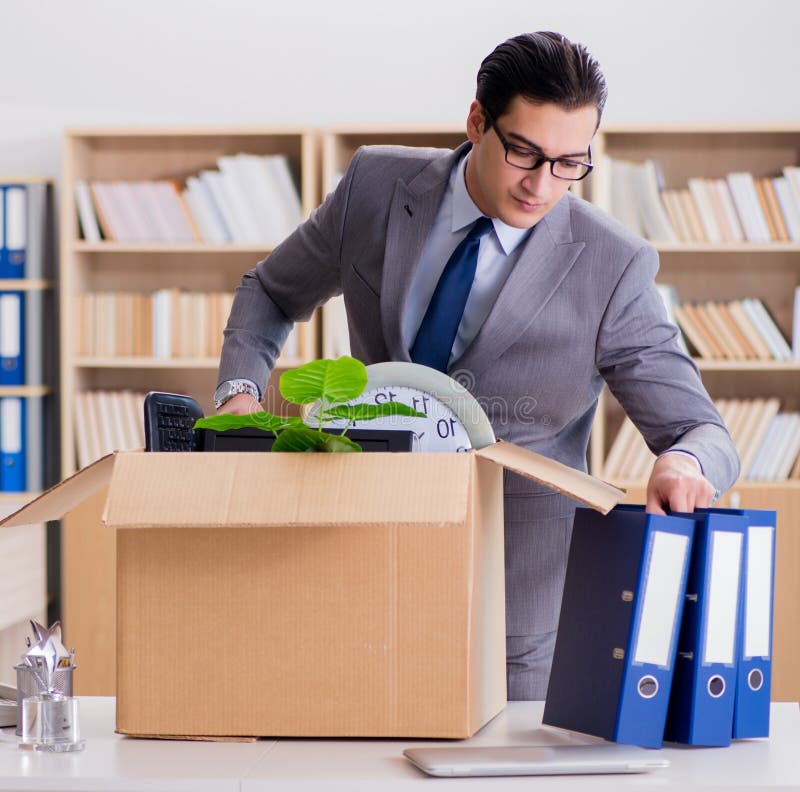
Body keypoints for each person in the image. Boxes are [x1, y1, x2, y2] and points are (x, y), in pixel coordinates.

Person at [214, 31, 740, 700]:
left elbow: (703, 432)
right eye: (525, 152)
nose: (542, 184)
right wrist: (238, 393)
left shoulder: (612, 265)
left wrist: (685, 463)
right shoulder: (375, 186)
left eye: (569, 163)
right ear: (475, 122)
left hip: (517, 612)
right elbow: (272, 291)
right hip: (354, 563)